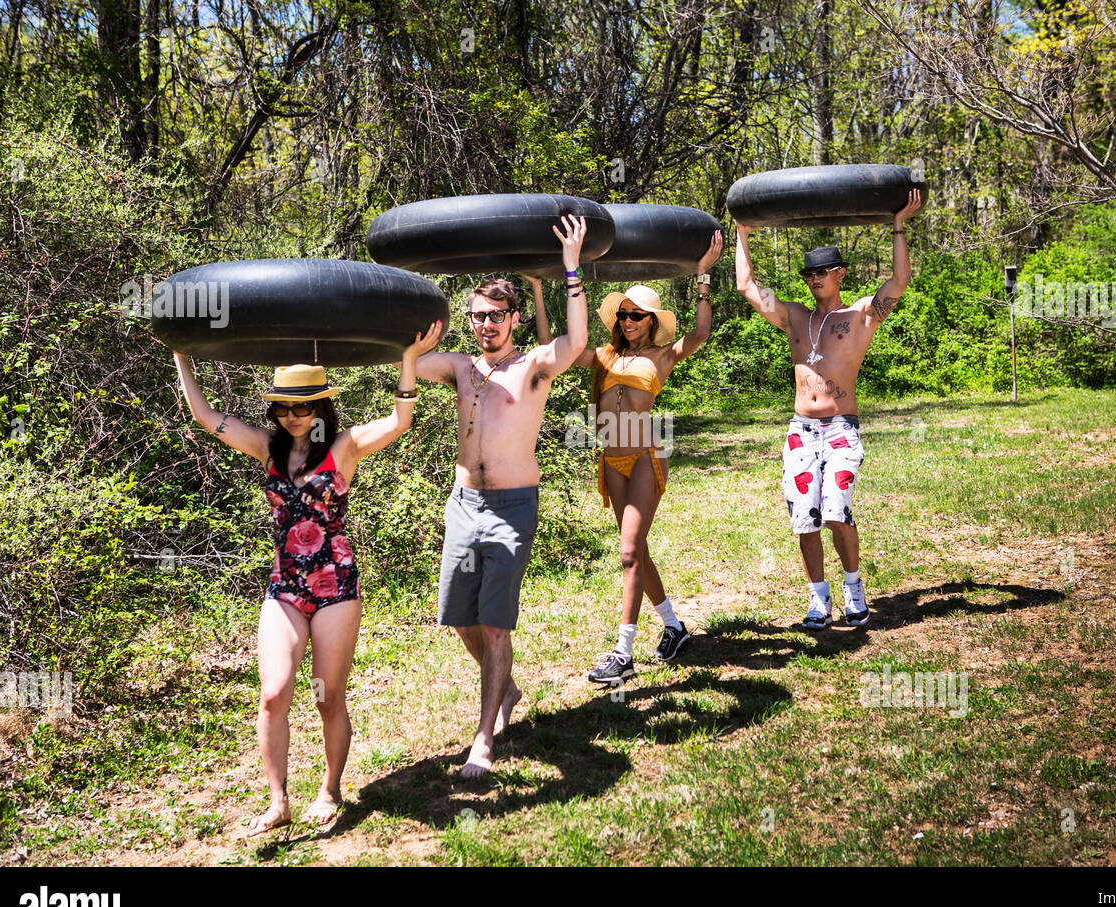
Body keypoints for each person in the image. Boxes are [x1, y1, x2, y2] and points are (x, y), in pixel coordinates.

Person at [171, 320, 442, 834]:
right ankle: (277, 801)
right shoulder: (267, 448)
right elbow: (207, 416)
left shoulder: (344, 447)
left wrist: (408, 356)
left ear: (321, 407)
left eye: (305, 405)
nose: (294, 415)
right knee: (273, 692)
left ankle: (330, 788)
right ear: (274, 409)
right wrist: (182, 355)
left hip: (336, 581)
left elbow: (400, 420)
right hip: (285, 583)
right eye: (285, 406)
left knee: (326, 696)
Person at [416, 215, 589, 778]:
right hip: (463, 505)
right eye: (477, 316)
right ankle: (506, 687)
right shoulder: (463, 368)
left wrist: (569, 267)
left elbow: (577, 339)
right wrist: (405, 318)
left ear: (514, 319)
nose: (485, 324)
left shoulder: (533, 368)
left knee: (494, 626)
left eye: (495, 316)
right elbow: (410, 364)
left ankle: (484, 738)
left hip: (512, 508)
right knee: (460, 619)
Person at [529, 232, 723, 684]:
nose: (630, 319)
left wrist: (703, 278)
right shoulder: (601, 355)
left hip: (644, 455)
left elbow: (701, 333)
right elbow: (547, 345)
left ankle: (623, 651)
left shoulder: (662, 355)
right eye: (625, 314)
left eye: (638, 315)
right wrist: (539, 288)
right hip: (609, 458)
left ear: (652, 320)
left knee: (629, 551)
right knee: (637, 552)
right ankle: (674, 627)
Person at [734, 190, 922, 628]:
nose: (814, 278)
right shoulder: (796, 317)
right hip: (801, 429)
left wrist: (898, 225)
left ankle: (853, 587)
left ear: (840, 273)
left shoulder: (859, 316)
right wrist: (742, 233)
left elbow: (898, 282)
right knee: (805, 519)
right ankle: (819, 598)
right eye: (808, 273)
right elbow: (747, 287)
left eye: (822, 272)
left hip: (840, 427)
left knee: (836, 511)